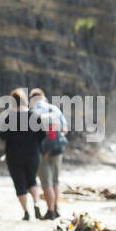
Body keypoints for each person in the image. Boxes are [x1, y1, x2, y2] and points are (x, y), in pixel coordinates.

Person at [0, 87, 46, 220]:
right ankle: (36, 203)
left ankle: (26, 212)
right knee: (32, 180)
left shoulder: (9, 117)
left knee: (20, 184)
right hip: (33, 154)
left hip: (14, 155)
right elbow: (43, 135)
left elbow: (3, 136)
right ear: (25, 101)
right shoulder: (35, 116)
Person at [29, 87, 68, 220]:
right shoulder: (54, 109)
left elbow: (31, 136)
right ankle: (56, 208)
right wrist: (55, 141)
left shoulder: (32, 112)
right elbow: (64, 129)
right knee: (56, 181)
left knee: (46, 183)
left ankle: (50, 211)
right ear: (44, 97)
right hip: (58, 151)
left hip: (42, 152)